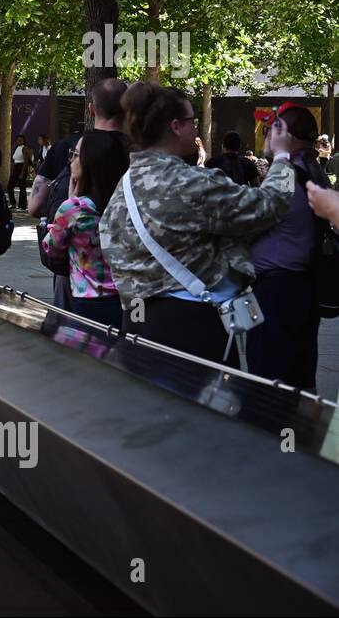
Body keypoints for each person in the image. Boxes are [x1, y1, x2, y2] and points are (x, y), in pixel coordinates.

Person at [98, 83, 301, 367]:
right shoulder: (190, 183)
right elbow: (271, 204)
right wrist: (281, 157)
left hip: (136, 322)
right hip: (192, 328)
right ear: (176, 126)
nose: (196, 129)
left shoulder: (125, 186)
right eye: (192, 121)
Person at [244, 105, 328, 390]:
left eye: (271, 129)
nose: (266, 135)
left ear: (284, 134)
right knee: (299, 378)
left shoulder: (287, 177)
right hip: (302, 288)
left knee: (269, 381)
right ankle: (298, 433)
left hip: (278, 293)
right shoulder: (313, 169)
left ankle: (274, 433)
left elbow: (249, 219)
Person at [29, 79, 129, 309]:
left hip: (77, 276)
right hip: (129, 282)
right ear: (127, 110)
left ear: (92, 110)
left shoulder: (71, 146)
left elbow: (35, 207)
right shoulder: (138, 151)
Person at [40, 130, 130, 328]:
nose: (71, 161)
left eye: (76, 154)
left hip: (89, 300)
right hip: (126, 301)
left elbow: (51, 248)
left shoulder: (74, 209)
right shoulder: (126, 204)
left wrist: (71, 200)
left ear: (91, 161)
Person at [8, 135, 29, 210]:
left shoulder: (24, 148)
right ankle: (13, 203)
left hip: (22, 167)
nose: (19, 141)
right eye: (18, 140)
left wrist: (22, 173)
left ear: (23, 141)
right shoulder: (16, 148)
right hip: (16, 167)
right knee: (10, 186)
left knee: (22, 187)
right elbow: (14, 161)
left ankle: (22, 205)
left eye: (21, 140)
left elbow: (26, 161)